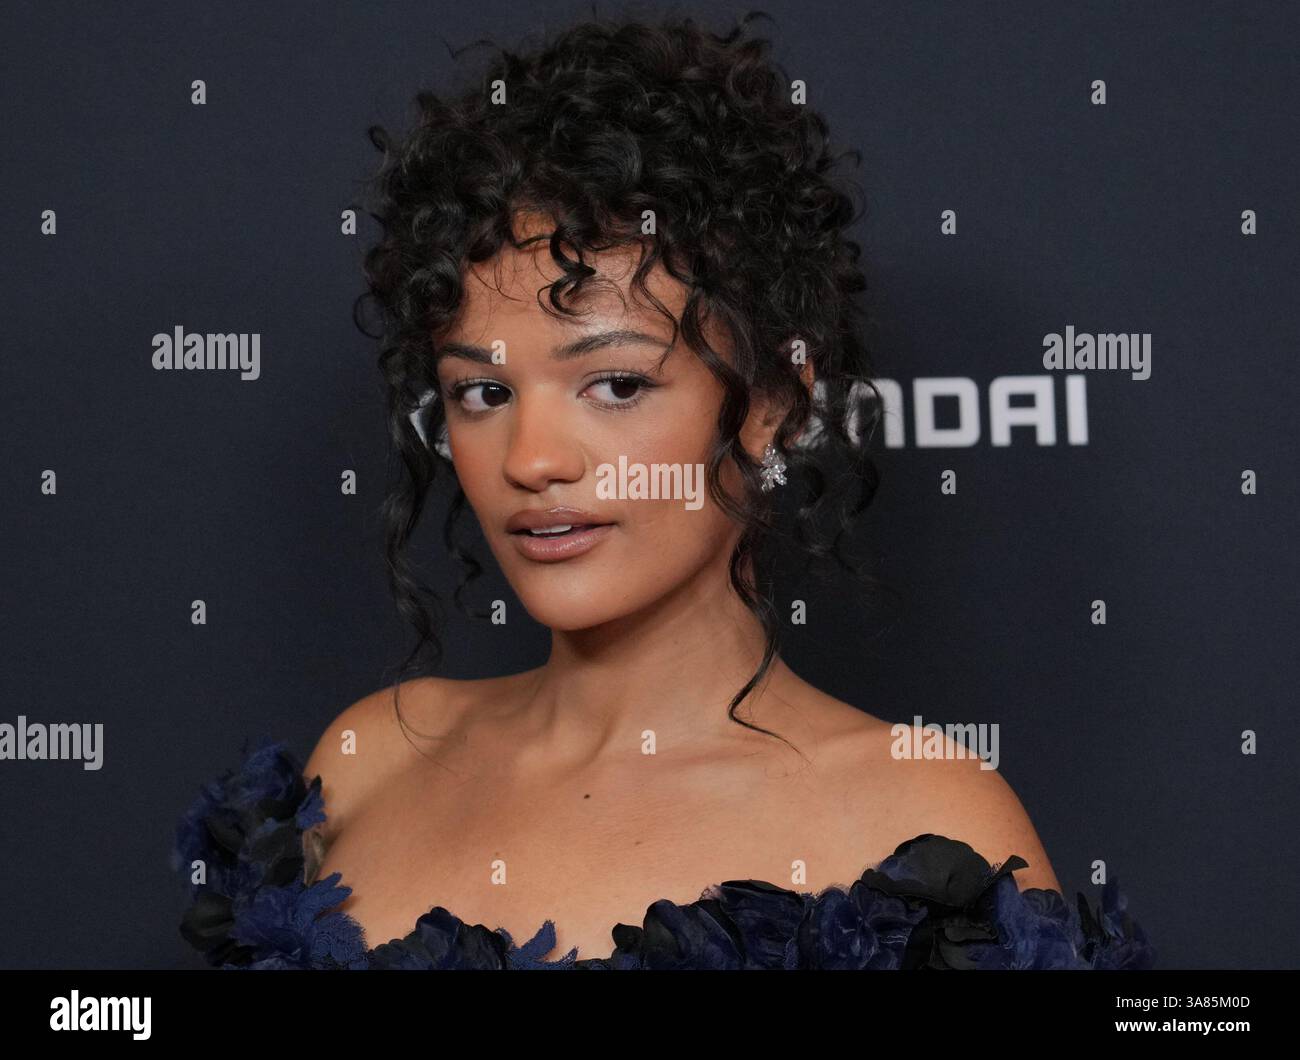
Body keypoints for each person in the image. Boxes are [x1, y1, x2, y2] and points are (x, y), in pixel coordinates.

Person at [172, 10, 1152, 970]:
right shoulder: (366, 758)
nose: (533, 458)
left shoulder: (919, 824)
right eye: (483, 391)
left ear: (770, 404)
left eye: (617, 384)